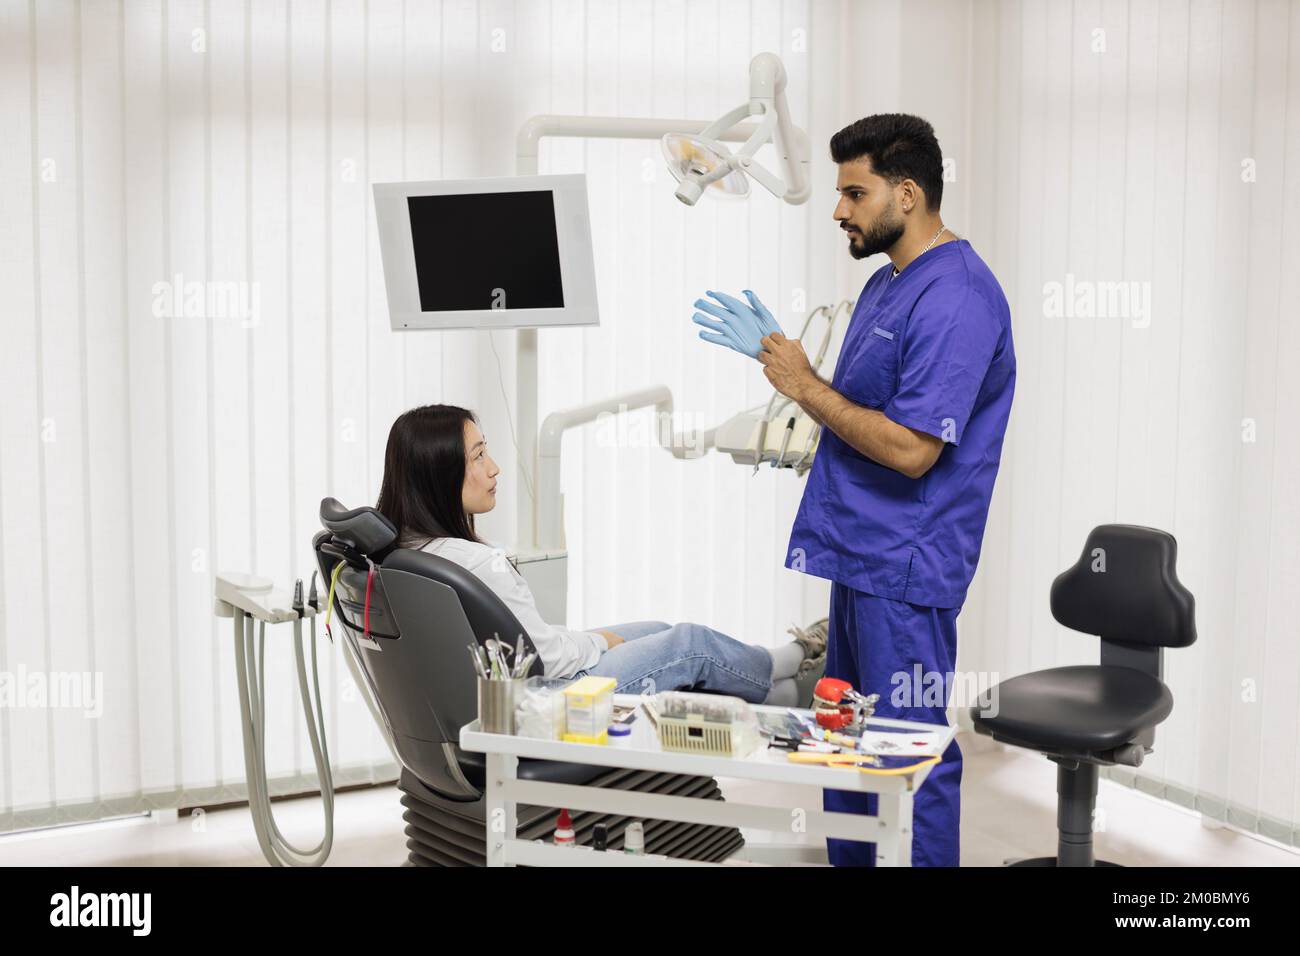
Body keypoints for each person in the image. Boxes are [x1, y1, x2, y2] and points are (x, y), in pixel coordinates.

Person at [692, 113, 1016, 866]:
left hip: (906, 566)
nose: (839, 209)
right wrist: (788, 366)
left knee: (910, 751)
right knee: (841, 738)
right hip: (857, 553)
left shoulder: (959, 298)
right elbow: (858, 412)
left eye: (854, 193)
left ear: (907, 193)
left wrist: (804, 385)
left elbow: (909, 450)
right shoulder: (885, 283)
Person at [375, 403, 826, 704]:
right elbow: (545, 658)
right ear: (439, 474)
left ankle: (778, 688)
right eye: (477, 457)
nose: (493, 468)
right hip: (551, 698)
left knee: (658, 630)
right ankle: (793, 666)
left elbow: (526, 645)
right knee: (690, 645)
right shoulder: (476, 565)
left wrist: (591, 643)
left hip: (522, 686)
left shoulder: (409, 552)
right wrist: (597, 643)